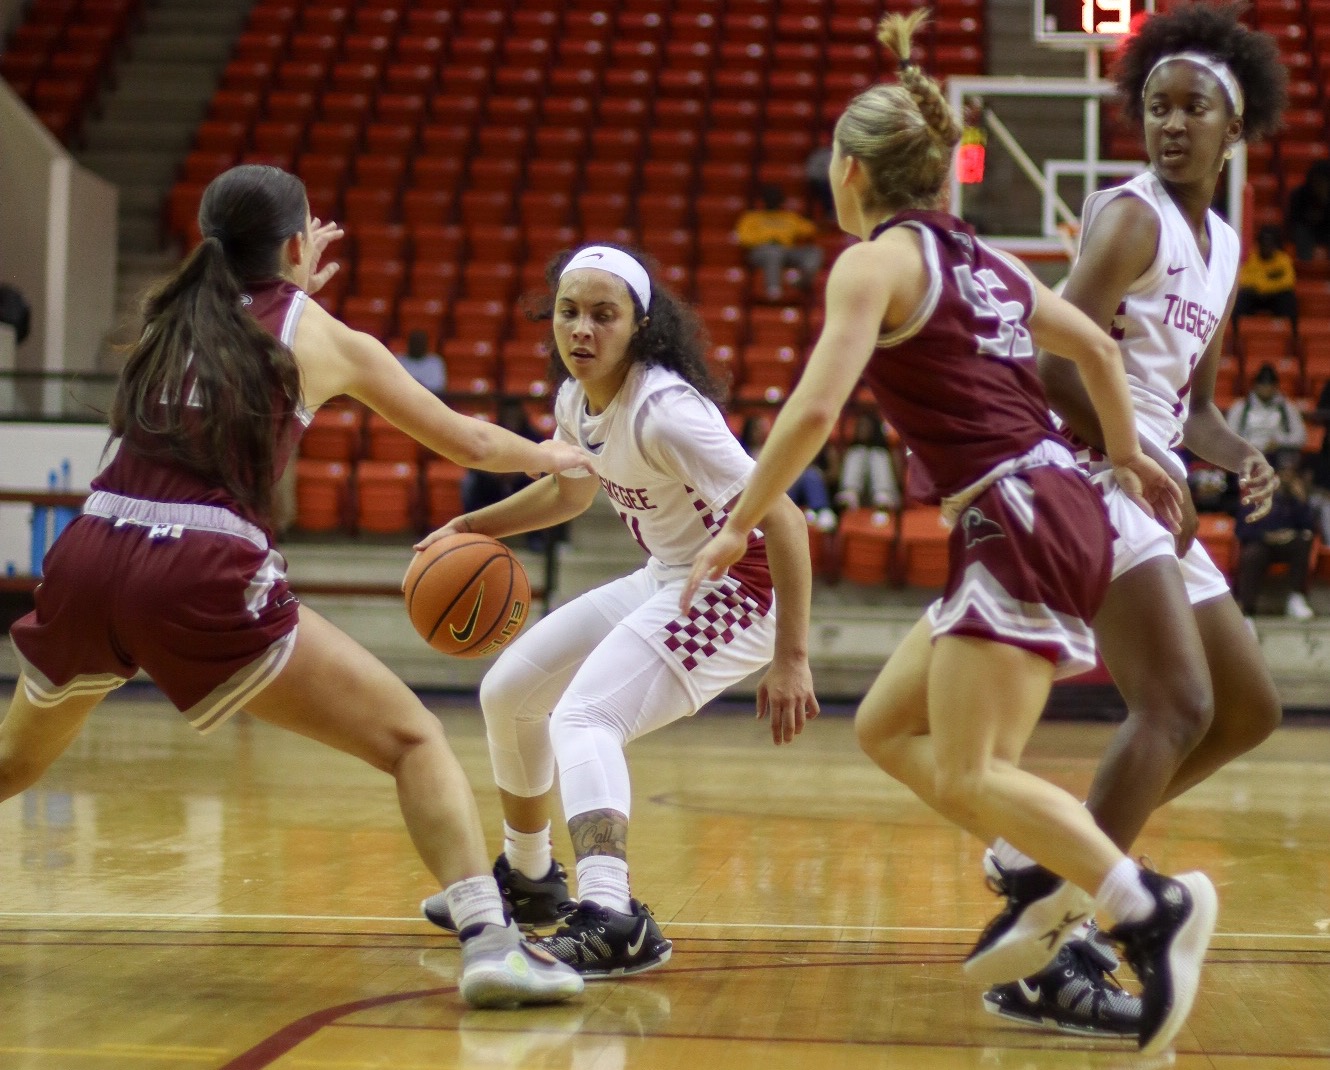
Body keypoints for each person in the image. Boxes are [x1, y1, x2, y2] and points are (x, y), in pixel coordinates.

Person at [686, 12, 1213, 1058]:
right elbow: (1100, 358)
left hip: (1013, 511)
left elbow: (807, 414)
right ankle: (1030, 867)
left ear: (850, 172)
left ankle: (1144, 903)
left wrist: (733, 524)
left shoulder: (872, 264)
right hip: (1058, 500)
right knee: (888, 725)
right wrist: (1123, 454)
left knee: (972, 767)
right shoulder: (990, 260)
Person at [1, 165, 587, 1010]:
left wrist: (285, 268)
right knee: (412, 741)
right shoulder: (321, 335)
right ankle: (493, 944)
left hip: (92, 547)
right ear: (293, 246)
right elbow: (469, 444)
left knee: (14, 760)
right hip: (197, 566)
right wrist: (554, 457)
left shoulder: (168, 316)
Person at [417, 243, 818, 979]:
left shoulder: (665, 412)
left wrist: (792, 657)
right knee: (508, 690)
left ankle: (613, 914)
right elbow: (571, 491)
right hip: (667, 574)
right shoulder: (577, 400)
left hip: (742, 587)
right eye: (569, 312)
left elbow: (785, 519)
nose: (582, 331)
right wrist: (474, 528)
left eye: (604, 316)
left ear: (640, 325)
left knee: (584, 716)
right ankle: (531, 877)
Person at [1015, 1, 1286, 1037]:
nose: (1170, 124)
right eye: (1157, 107)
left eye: (1193, 109)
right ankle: (1077, 926)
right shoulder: (1129, 216)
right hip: (1092, 473)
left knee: (1246, 706)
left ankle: (1064, 847)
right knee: (1172, 703)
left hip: (1154, 477)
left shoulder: (1221, 241)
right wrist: (1130, 450)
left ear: (1234, 128)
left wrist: (1242, 455)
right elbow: (1047, 360)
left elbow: (1198, 405)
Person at [1235, 449, 1317, 619]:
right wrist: (1266, 536)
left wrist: (1301, 500)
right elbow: (1242, 530)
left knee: (1303, 542)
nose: (1286, 477)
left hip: (1288, 542)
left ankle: (1297, 598)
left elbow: (1309, 527)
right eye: (1282, 473)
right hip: (1261, 542)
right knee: (1251, 554)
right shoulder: (1256, 493)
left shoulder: (1294, 499)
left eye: (1290, 473)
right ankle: (1247, 609)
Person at [741, 411, 838, 531]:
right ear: (748, 430)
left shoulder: (773, 448)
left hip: (780, 491)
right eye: (757, 428)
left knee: (810, 473)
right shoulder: (740, 450)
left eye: (763, 428)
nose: (761, 432)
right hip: (754, 496)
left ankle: (821, 511)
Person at [735, 185, 823, 302]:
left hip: (786, 251)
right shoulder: (751, 217)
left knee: (814, 251)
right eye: (770, 198)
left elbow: (811, 229)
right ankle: (773, 290)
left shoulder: (789, 217)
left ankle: (802, 279)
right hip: (761, 251)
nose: (773, 201)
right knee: (773, 252)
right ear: (763, 200)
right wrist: (769, 240)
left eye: (776, 198)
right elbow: (743, 238)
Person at [1227, 361, 1307, 455]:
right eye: (1263, 384)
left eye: (1270, 385)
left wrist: (1280, 442)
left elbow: (1300, 436)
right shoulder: (1240, 407)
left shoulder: (1287, 407)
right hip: (1247, 454)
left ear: (1275, 386)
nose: (1266, 388)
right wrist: (1248, 445)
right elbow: (1229, 435)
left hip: (1278, 453)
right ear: (1255, 385)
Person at [1233, 225, 1299, 332]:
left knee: (1288, 297)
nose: (1266, 246)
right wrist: (1266, 281)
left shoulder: (1283, 260)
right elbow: (1242, 279)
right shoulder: (1252, 258)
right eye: (1264, 243)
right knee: (1240, 297)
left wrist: (1264, 284)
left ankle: (1293, 334)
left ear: (1275, 245)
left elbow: (1289, 281)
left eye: (1270, 243)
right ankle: (1236, 334)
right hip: (1255, 296)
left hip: (1274, 296)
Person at [835, 411, 902, 512]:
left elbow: (899, 479)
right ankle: (850, 492)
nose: (863, 429)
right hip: (859, 499)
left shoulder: (884, 451)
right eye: (861, 426)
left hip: (888, 499)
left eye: (867, 426)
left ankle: (882, 493)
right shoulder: (852, 451)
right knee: (857, 452)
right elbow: (836, 475)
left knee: (877, 453)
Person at [1285, 159, 1330, 261]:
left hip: (1326, 231)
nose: (1320, 184)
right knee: (1301, 232)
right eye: (1318, 181)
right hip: (1306, 231)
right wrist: (1309, 218)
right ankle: (1304, 268)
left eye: (1324, 181)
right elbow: (1293, 221)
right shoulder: (1298, 194)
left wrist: (1325, 201)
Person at [396, 328, 447, 396]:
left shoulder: (435, 362)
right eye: (415, 343)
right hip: (403, 398)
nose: (417, 346)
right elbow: (395, 385)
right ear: (409, 344)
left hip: (429, 399)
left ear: (426, 344)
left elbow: (438, 386)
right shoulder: (398, 360)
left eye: (420, 343)